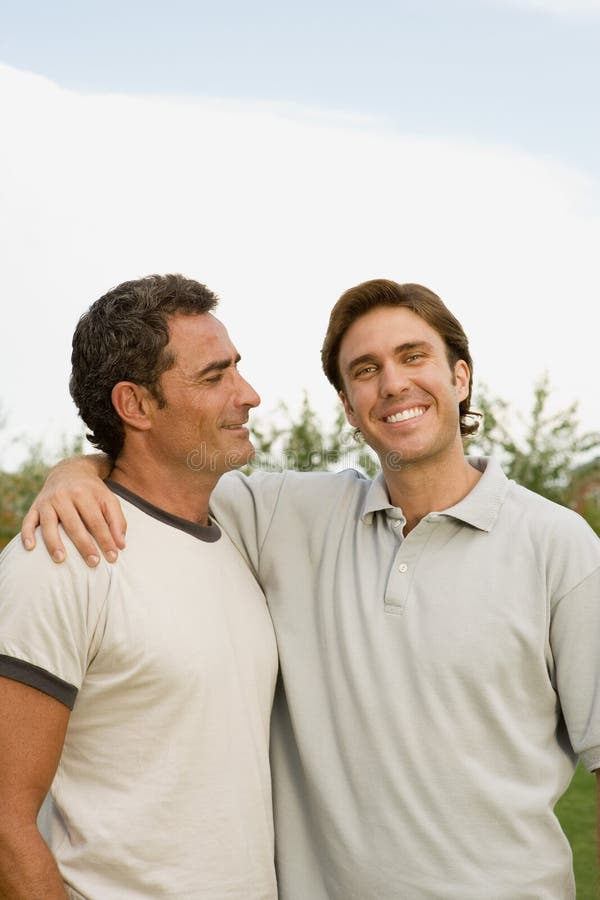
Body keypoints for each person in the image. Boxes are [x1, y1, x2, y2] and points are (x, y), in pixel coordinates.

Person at [20, 279, 600, 899]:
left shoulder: (560, 548)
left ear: (460, 378)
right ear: (350, 409)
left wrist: (74, 472)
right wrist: (75, 472)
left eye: (413, 356)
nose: (394, 384)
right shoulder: (283, 517)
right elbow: (156, 467)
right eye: (366, 369)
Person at [0, 274, 278, 900]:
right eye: (214, 377)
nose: (250, 395)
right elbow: (5, 827)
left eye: (238, 368)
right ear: (136, 406)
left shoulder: (239, 536)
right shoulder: (60, 559)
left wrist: (75, 466)